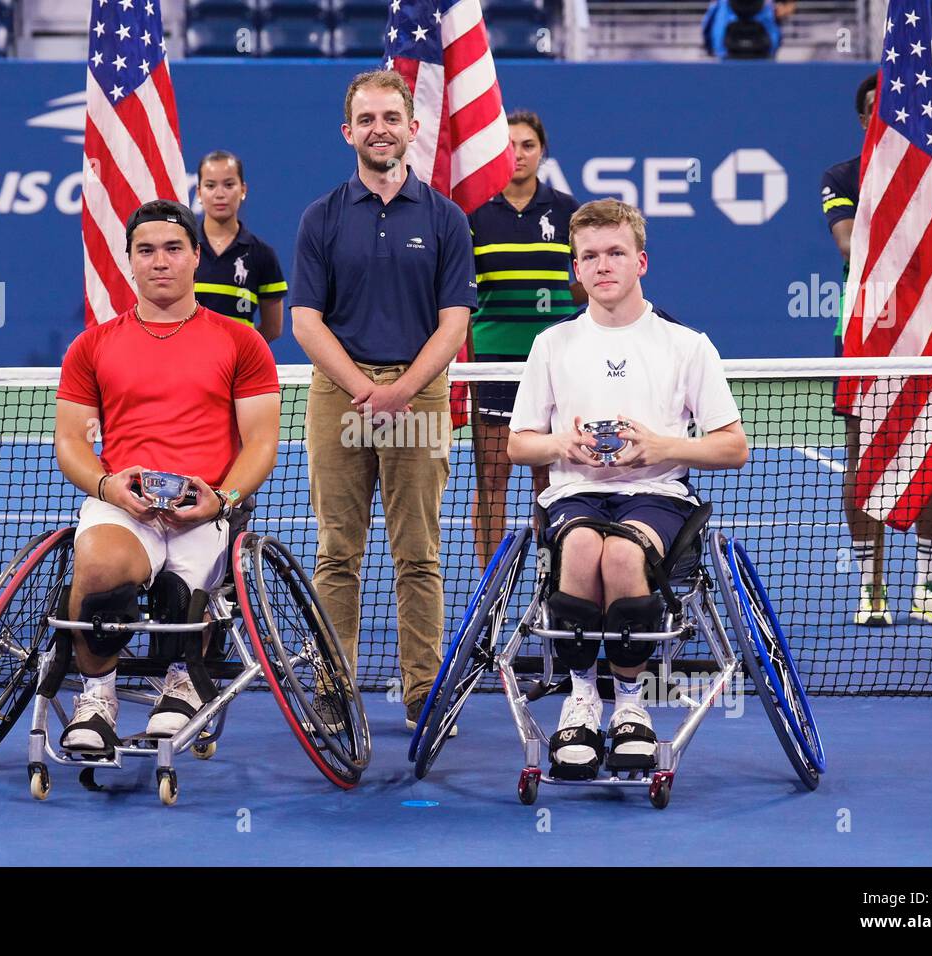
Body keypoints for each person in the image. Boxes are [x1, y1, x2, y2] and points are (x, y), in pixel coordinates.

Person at [508, 199, 748, 778]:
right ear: (576, 268)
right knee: (585, 546)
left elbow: (734, 446)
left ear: (641, 261)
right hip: (575, 494)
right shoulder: (552, 344)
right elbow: (519, 444)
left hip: (657, 495)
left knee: (620, 552)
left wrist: (664, 447)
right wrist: (561, 445)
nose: (602, 265)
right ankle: (582, 699)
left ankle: (633, 705)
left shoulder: (686, 345)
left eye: (615, 253)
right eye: (588, 256)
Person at [54, 199, 280, 751]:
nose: (161, 261)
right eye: (147, 250)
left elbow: (262, 442)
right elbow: (71, 442)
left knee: (186, 599)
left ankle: (183, 684)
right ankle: (98, 696)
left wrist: (222, 498)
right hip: (123, 503)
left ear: (196, 257)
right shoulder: (91, 346)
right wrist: (108, 487)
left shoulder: (241, 341)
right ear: (129, 261)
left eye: (174, 248)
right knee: (102, 571)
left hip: (204, 506)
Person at [291, 70, 476, 732]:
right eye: (366, 119)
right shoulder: (322, 217)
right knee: (337, 552)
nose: (379, 129)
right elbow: (305, 322)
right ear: (349, 133)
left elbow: (454, 323)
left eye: (390, 118)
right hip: (338, 396)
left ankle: (423, 690)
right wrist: (365, 389)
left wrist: (400, 390)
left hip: (421, 396)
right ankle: (334, 688)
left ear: (412, 127)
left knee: (418, 554)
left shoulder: (447, 219)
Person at [820, 72, 932, 627]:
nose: (884, 116)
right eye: (874, 109)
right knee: (864, 449)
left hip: (928, 336)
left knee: (930, 450)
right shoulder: (842, 177)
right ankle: (871, 590)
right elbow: (848, 243)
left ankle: (927, 587)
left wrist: (931, 307)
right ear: (864, 120)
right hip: (865, 335)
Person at [468, 109, 583, 570]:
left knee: (549, 477)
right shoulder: (473, 213)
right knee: (492, 476)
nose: (517, 155)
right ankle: (490, 591)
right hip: (494, 363)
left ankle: (552, 579)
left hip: (554, 361)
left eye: (527, 145)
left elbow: (581, 281)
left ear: (542, 151)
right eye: (508, 146)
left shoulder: (567, 209)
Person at [193, 150, 288, 344]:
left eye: (229, 185)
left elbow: (273, 328)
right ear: (199, 192)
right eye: (210, 185)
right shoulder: (182, 250)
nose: (220, 194)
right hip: (187, 367)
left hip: (238, 371)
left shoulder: (262, 254)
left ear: (243, 190)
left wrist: (242, 354)